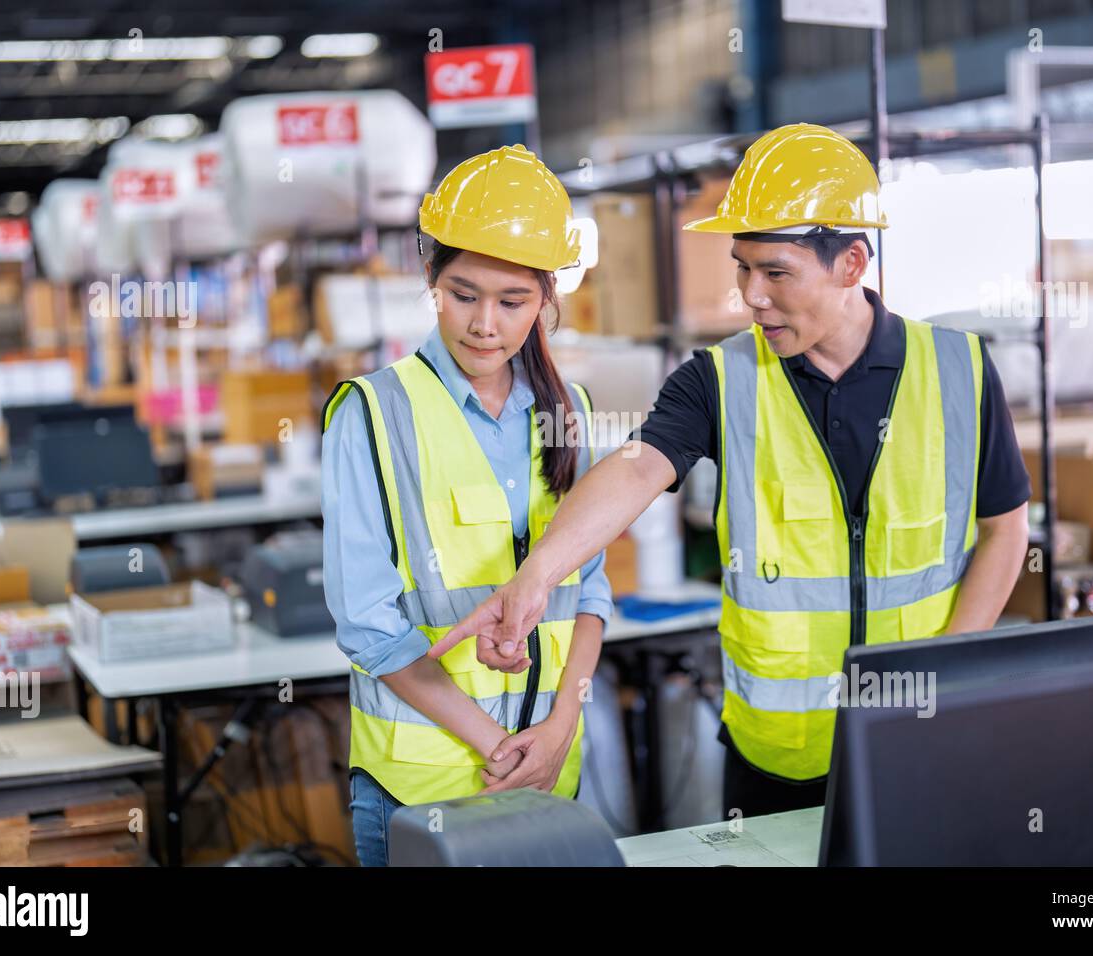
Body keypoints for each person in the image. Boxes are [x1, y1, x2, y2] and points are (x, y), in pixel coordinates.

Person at [430, 124, 1031, 819]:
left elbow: (1005, 532)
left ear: (852, 264)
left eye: (775, 272)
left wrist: (943, 677)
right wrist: (533, 578)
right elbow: (634, 471)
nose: (752, 295)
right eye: (742, 268)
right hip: (774, 760)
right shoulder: (720, 378)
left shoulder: (958, 369)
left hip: (921, 741)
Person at [321, 144, 612, 866]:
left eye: (513, 302)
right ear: (431, 281)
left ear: (547, 297)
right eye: (463, 294)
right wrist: (506, 749)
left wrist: (562, 728)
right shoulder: (371, 412)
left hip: (547, 780)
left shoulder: (568, 409)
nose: (485, 324)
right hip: (418, 795)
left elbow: (591, 590)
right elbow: (368, 626)